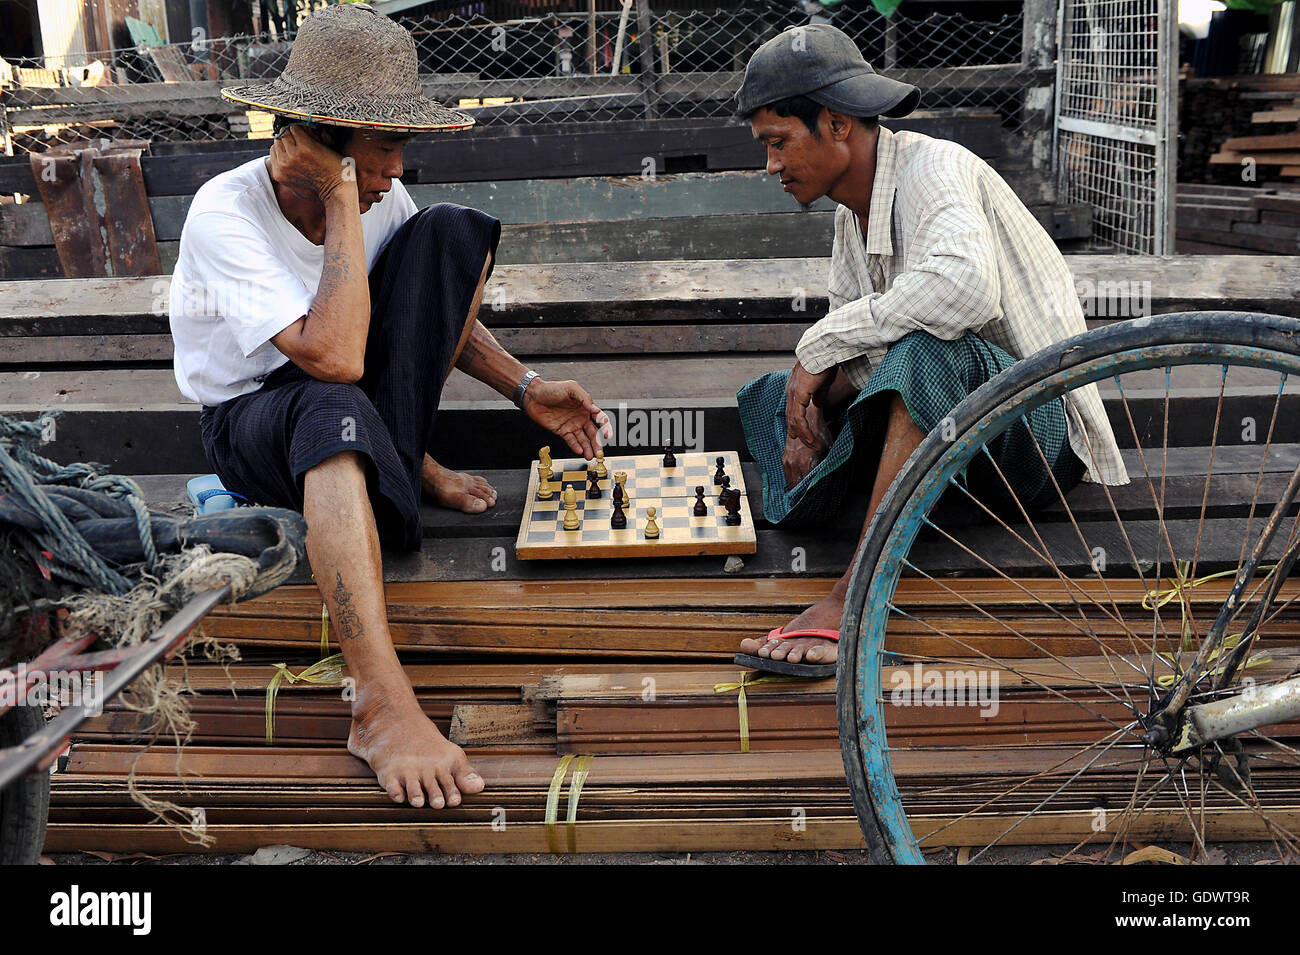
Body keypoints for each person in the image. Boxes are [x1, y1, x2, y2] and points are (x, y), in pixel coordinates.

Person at [170, 4, 611, 807]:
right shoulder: (225, 214)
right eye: (384, 147)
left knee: (448, 231)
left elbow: (431, 320)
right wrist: (340, 197)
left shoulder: (385, 199)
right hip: (258, 421)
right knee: (327, 409)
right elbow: (332, 360)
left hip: (343, 401)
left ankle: (405, 460)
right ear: (323, 138)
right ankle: (375, 701)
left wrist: (525, 387)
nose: (398, 170)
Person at [731, 25, 1129, 676]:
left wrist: (820, 347)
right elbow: (859, 349)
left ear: (835, 125)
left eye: (778, 143)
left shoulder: (932, 168)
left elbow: (963, 291)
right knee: (773, 395)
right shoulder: (847, 214)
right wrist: (811, 391)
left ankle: (857, 595)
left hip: (1037, 436)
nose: (771, 166)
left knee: (924, 354)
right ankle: (866, 494)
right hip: (959, 433)